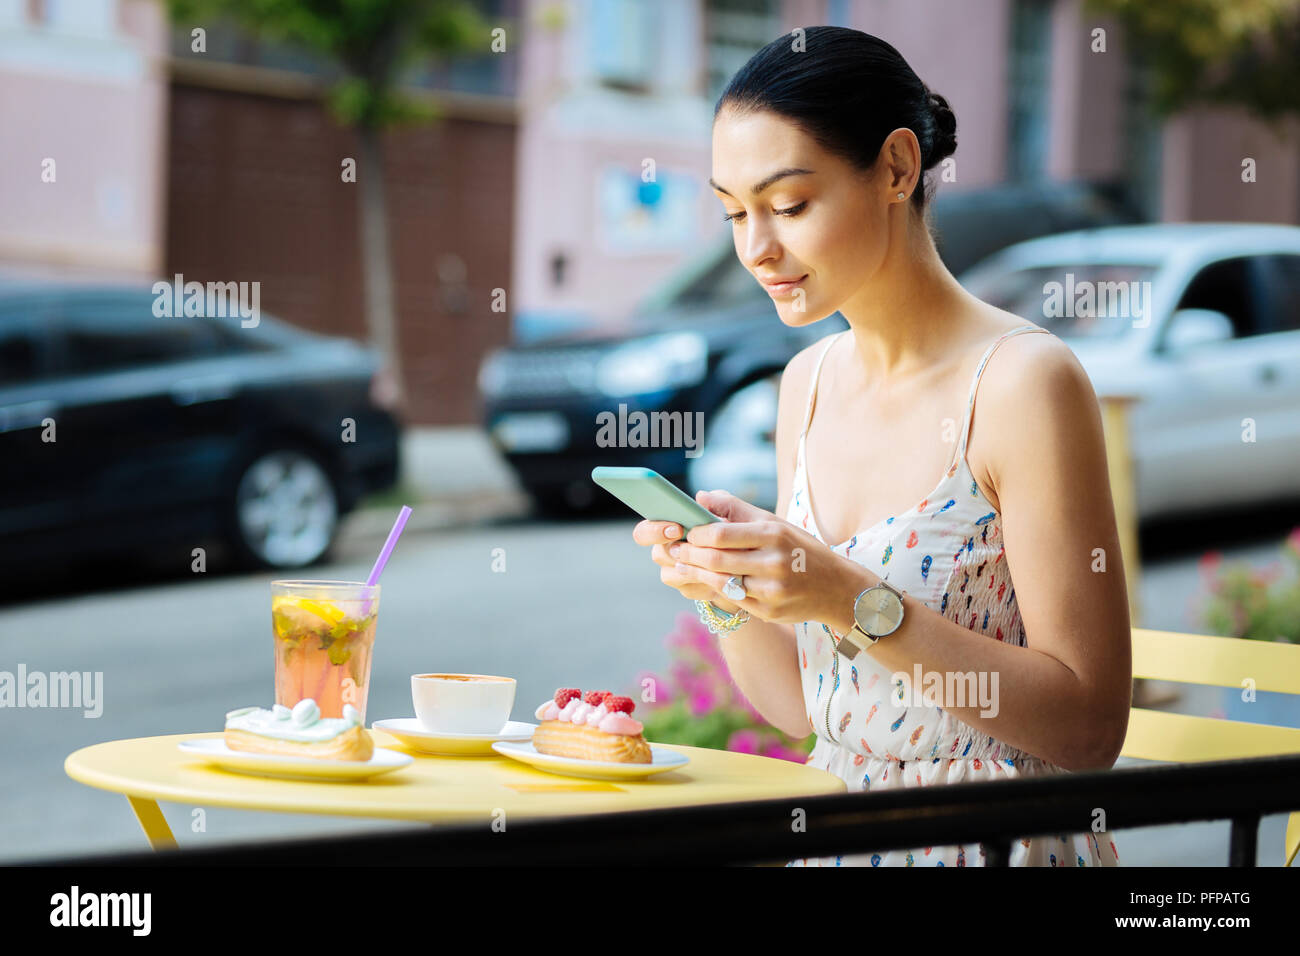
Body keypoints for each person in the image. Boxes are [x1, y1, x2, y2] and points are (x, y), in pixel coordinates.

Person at [632, 26, 1130, 866]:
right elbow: (806, 709)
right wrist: (721, 589)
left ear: (897, 169)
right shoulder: (808, 384)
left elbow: (1088, 729)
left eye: (788, 205)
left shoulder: (1022, 384)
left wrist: (849, 598)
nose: (757, 248)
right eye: (732, 212)